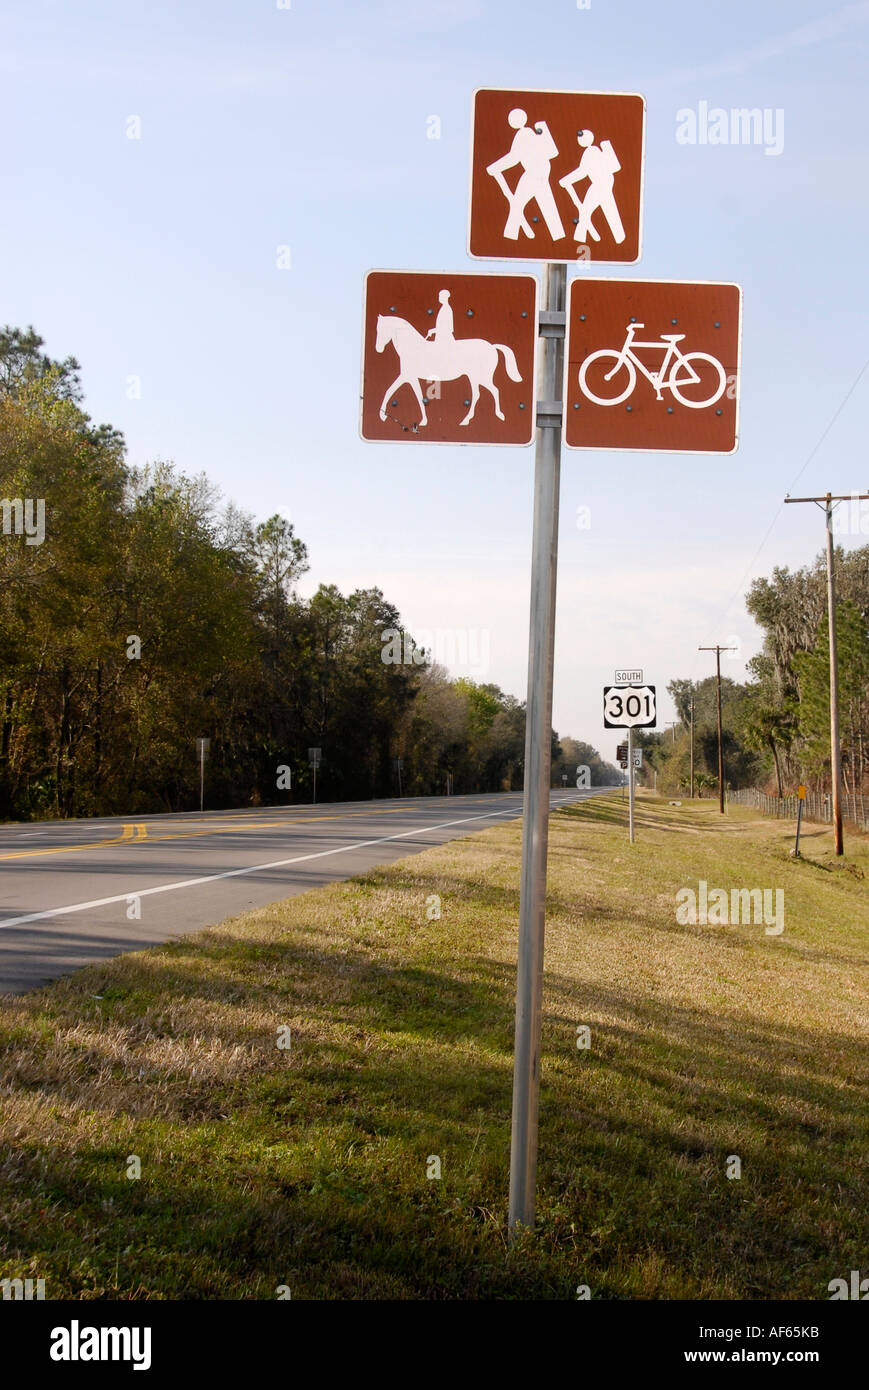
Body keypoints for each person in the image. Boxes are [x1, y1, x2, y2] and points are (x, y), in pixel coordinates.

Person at [486, 108, 565, 241]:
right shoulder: (533, 133)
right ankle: (559, 239)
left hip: (533, 175)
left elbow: (514, 157)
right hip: (541, 174)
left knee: (517, 207)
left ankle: (510, 239)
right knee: (547, 208)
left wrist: (495, 167)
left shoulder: (524, 134)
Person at [559, 129, 625, 245]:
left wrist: (567, 180)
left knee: (585, 212)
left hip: (599, 185)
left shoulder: (591, 152)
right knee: (609, 210)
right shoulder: (595, 150)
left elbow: (582, 171)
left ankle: (579, 241)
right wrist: (567, 180)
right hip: (606, 183)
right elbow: (583, 171)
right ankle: (620, 238)